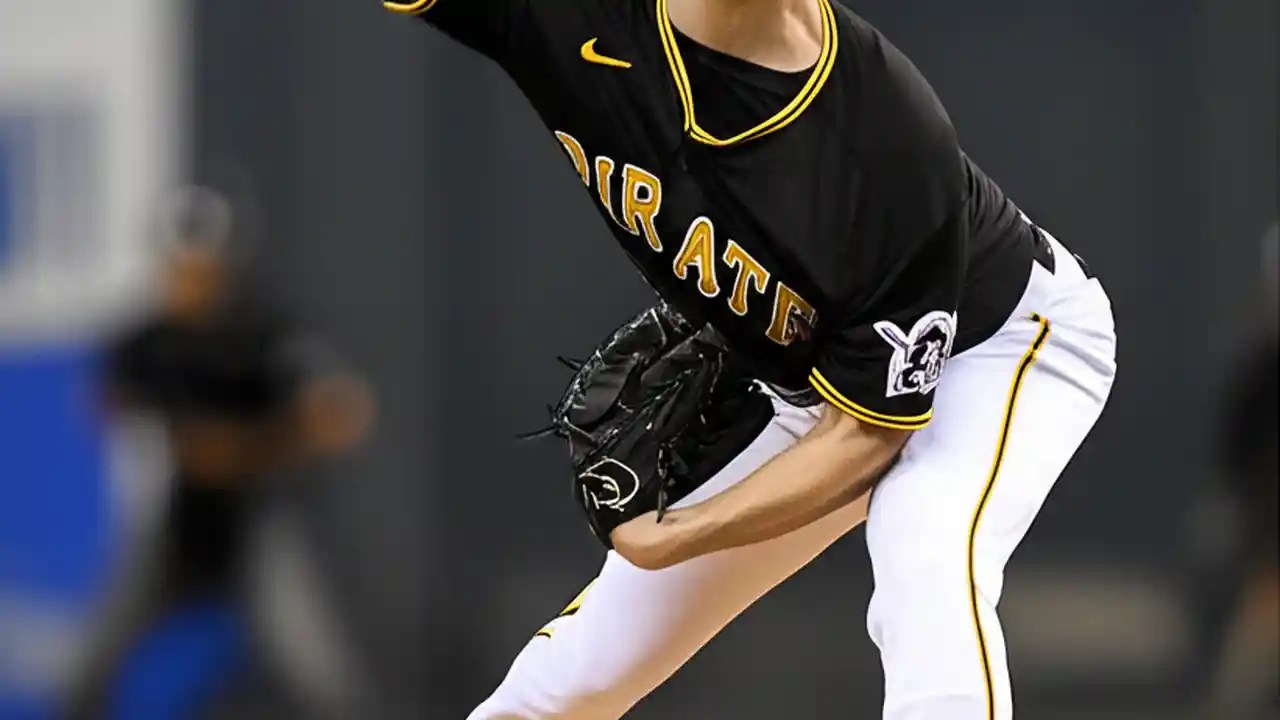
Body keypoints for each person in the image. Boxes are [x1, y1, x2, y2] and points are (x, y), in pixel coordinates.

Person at [384, 1, 1117, 718]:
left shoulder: (887, 136)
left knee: (927, 556)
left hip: (1000, 347)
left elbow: (869, 433)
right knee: (571, 679)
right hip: (814, 374)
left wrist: (682, 534)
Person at [61, 188, 375, 719]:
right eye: (182, 267)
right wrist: (183, 434)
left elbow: (341, 412)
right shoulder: (150, 342)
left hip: (254, 518)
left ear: (227, 267)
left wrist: (257, 443)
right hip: (179, 524)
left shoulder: (262, 334)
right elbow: (103, 403)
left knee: (321, 672)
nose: (192, 280)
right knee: (89, 668)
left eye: (204, 268)